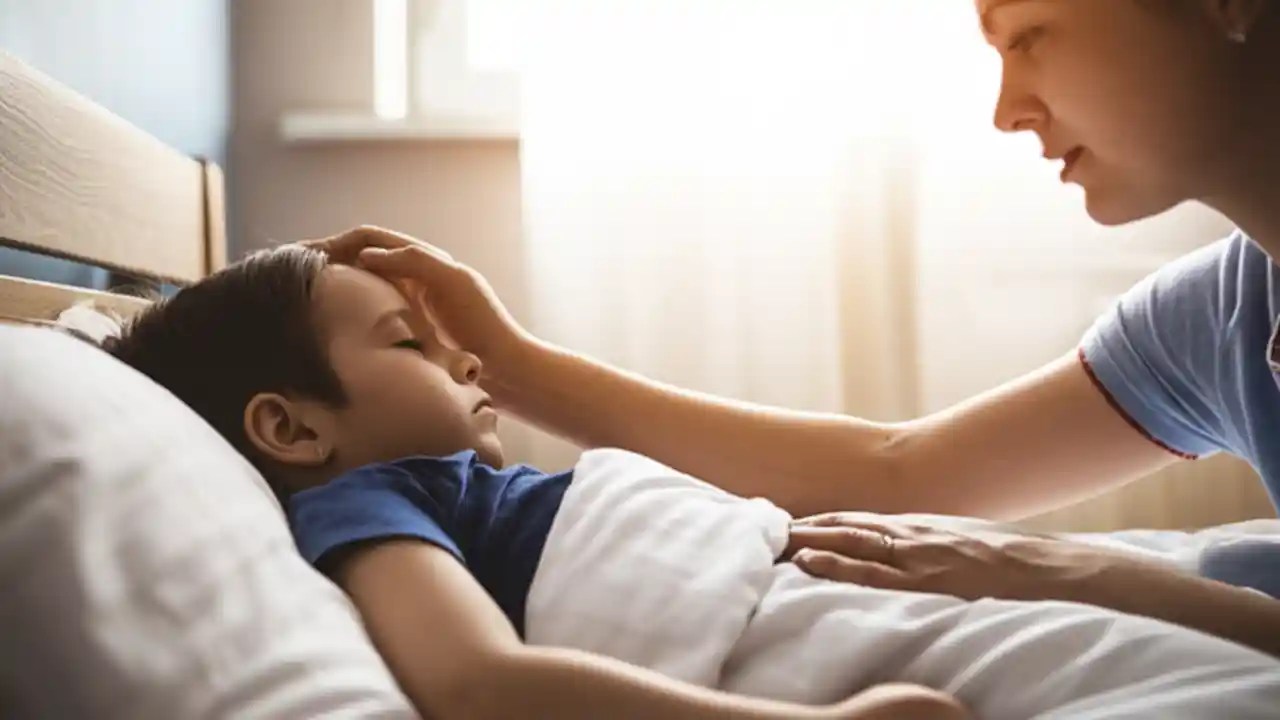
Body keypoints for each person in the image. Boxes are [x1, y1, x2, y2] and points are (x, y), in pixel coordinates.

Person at [305, 0, 1280, 659]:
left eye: (1028, 34)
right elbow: (904, 472)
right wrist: (510, 368)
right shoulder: (1221, 310)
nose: (1004, 110)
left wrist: (1080, 573)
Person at [100, 245, 1280, 719]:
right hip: (789, 644)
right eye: (408, 344)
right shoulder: (374, 504)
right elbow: (473, 679)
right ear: (287, 429)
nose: (461, 356)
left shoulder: (439, 491)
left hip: (809, 594)